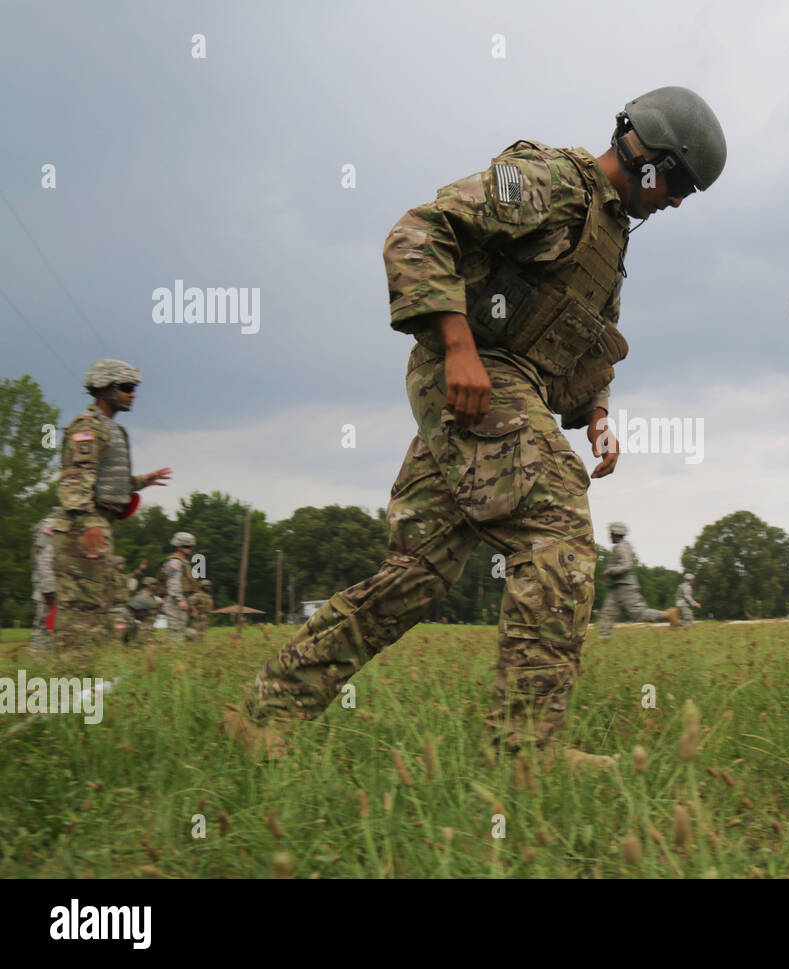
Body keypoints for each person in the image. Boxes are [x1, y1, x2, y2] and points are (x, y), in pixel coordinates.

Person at [225, 88, 725, 763]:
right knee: (559, 531)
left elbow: (591, 341)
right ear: (648, 155)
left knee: (415, 576)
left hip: (506, 391)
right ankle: (525, 750)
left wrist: (598, 415)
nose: (675, 202)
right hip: (473, 373)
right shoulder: (552, 183)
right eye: (678, 185)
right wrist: (458, 345)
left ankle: (264, 713)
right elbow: (420, 233)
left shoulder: (609, 239)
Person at [50, 360, 171, 650]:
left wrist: (143, 480)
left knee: (97, 607)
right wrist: (90, 523)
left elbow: (106, 483)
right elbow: (75, 479)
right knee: (81, 611)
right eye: (127, 388)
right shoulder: (88, 427)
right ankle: (70, 679)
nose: (133, 394)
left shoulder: (110, 428)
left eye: (134, 389)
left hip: (97, 525)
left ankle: (82, 676)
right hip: (82, 528)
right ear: (104, 389)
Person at [597, 522, 680, 635]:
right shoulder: (622, 546)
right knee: (607, 614)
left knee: (638, 613)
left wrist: (609, 571)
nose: (609, 536)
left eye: (610, 533)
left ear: (615, 533)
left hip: (625, 588)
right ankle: (603, 641)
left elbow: (627, 565)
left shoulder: (621, 547)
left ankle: (667, 614)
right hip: (617, 588)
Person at [159, 531, 200, 642]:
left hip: (181, 600)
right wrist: (180, 600)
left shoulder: (183, 562)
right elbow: (173, 583)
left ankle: (174, 653)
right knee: (174, 630)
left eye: (191, 546)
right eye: (187, 546)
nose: (189, 549)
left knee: (180, 630)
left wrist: (189, 603)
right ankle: (170, 653)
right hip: (174, 601)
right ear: (178, 546)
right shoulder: (174, 562)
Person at [30, 512, 57, 654]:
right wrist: (49, 590)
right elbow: (44, 557)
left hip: (63, 586)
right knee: (43, 626)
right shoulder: (53, 523)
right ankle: (38, 664)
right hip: (49, 586)